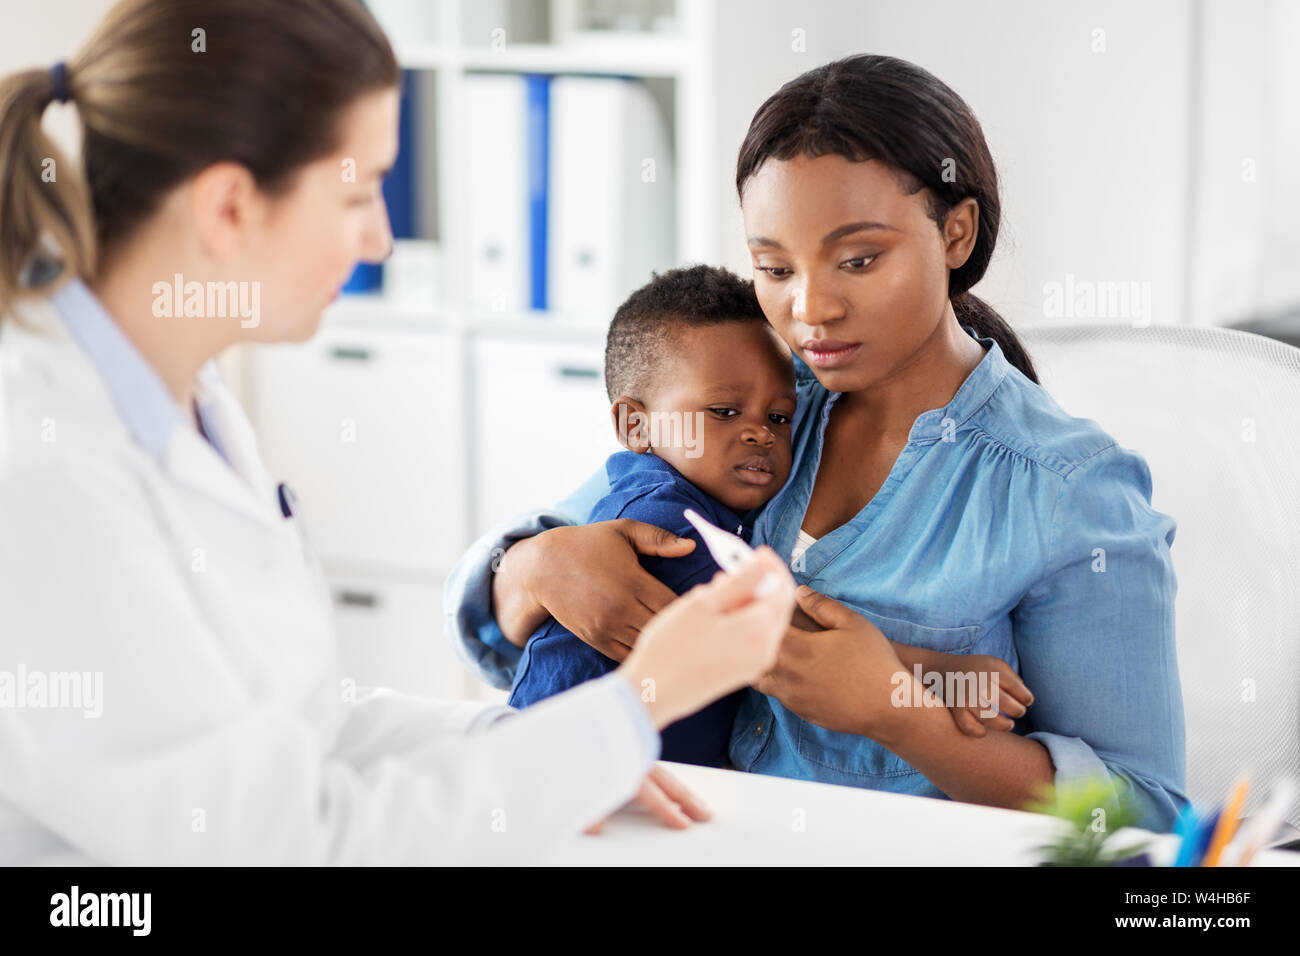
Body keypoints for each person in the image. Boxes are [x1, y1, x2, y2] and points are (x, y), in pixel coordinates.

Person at [0, 0, 797, 865]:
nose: (381, 238)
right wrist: (640, 699)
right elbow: (280, 842)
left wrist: (555, 755)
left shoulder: (190, 403)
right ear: (229, 207)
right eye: (357, 191)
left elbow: (310, 728)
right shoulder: (43, 467)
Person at [446, 54, 1190, 833]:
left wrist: (901, 714)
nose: (810, 307)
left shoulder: (1066, 488)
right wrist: (533, 567)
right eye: (773, 266)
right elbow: (494, 623)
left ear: (956, 232)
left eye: (859, 260)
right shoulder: (752, 405)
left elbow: (1145, 813)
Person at [505, 265, 1033, 767]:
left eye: (779, 417)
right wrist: (934, 671)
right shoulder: (662, 517)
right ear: (636, 426)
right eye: (724, 413)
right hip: (574, 762)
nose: (760, 433)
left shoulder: (707, 498)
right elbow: (765, 626)